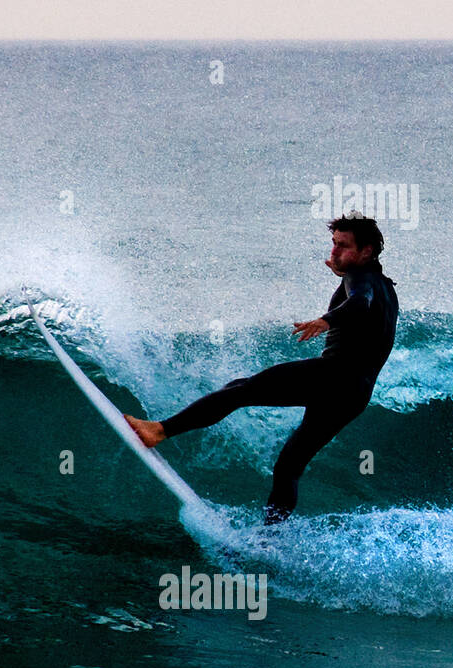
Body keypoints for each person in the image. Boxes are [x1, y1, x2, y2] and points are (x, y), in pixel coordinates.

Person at [125, 214, 398, 522]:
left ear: (367, 251)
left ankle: (159, 430)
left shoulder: (359, 278)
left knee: (241, 390)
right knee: (289, 466)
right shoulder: (387, 290)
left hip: (333, 376)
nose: (334, 253)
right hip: (355, 394)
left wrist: (326, 320)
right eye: (333, 245)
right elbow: (367, 311)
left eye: (343, 246)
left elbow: (360, 302)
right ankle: (270, 538)